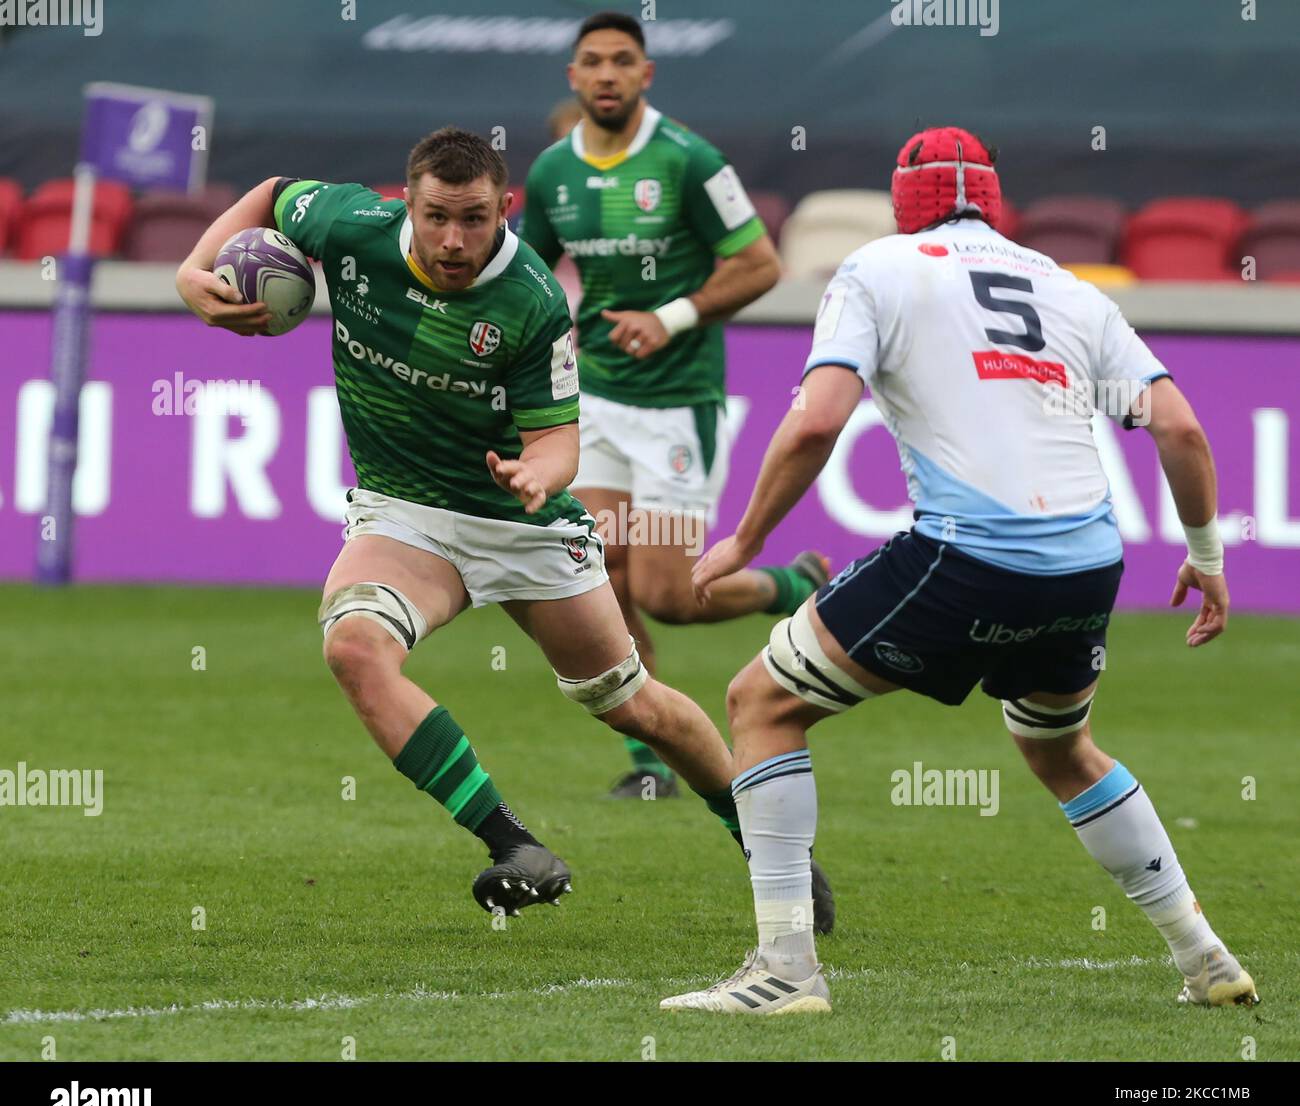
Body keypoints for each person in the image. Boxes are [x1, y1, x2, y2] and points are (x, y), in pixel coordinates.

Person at [663, 127, 1258, 1013]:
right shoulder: (1069, 287)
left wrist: (747, 539)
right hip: (1088, 564)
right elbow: (1181, 428)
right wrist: (1206, 556)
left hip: (967, 553)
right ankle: (1203, 954)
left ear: (904, 200)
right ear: (994, 195)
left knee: (762, 702)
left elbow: (820, 419)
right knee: (1061, 748)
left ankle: (786, 968)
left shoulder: (876, 269)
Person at [174, 126, 747, 920]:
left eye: (475, 218)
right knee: (353, 646)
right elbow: (270, 191)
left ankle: (765, 837)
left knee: (630, 702)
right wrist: (193, 268)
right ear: (404, 202)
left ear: (504, 209)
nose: (454, 239)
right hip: (405, 513)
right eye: (437, 215)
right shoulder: (350, 226)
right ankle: (514, 844)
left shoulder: (532, 297)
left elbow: (558, 440)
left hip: (521, 519)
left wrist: (536, 474)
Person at [520, 10, 829, 800]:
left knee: (667, 591)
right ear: (574, 78)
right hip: (595, 401)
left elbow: (759, 263)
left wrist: (673, 317)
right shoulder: (555, 171)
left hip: (676, 407)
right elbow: (525, 272)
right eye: (593, 62)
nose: (608, 74)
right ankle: (649, 763)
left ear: (646, 74)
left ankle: (793, 587)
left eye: (624, 61)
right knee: (601, 573)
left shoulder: (689, 161)